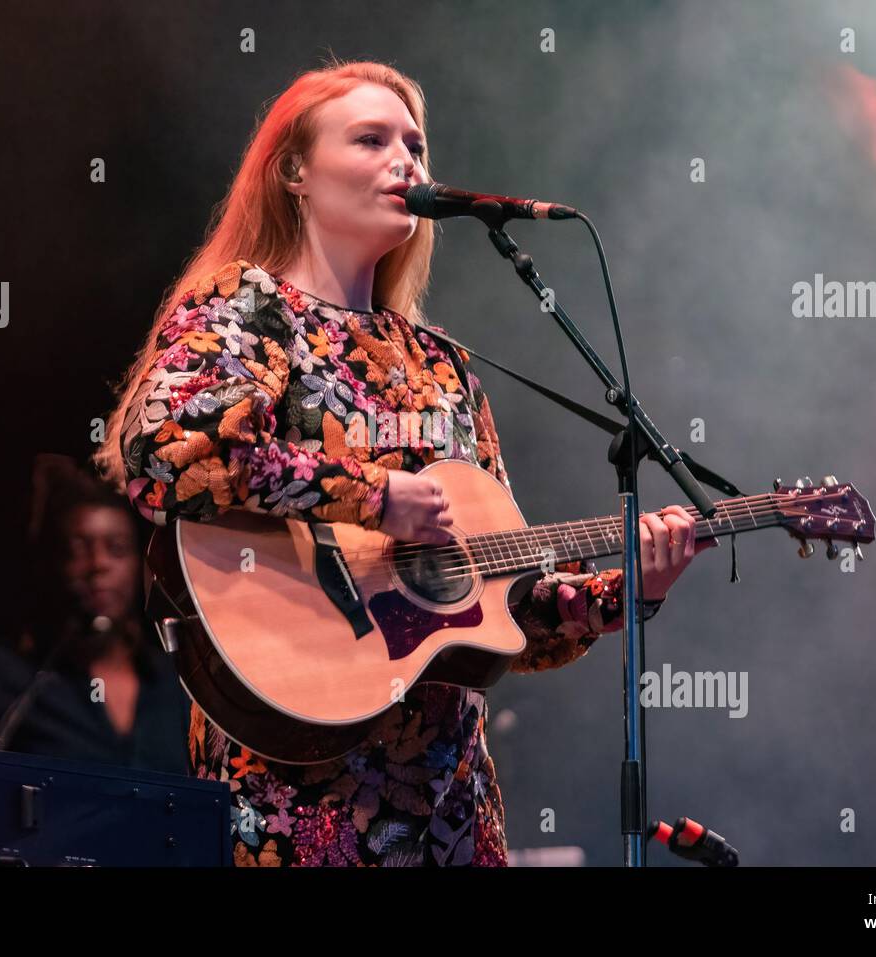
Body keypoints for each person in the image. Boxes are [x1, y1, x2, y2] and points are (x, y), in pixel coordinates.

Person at [94, 59, 711, 865]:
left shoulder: (442, 364)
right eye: (372, 139)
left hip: (450, 807)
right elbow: (166, 450)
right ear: (295, 173)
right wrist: (376, 497)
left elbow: (503, 614)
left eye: (415, 146)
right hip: (299, 792)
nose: (407, 164)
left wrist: (631, 589)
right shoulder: (249, 306)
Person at [0, 455, 188, 773]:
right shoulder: (8, 674)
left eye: (117, 548)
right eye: (78, 549)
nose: (99, 565)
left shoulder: (176, 680)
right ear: (50, 563)